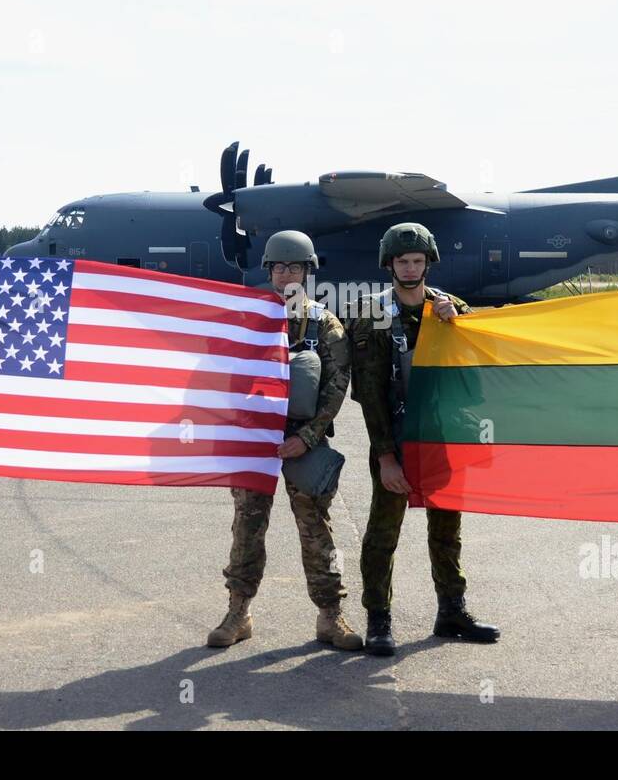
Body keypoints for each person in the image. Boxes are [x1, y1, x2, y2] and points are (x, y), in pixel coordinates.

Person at [348, 222, 500, 656]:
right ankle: (379, 619)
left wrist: (460, 324)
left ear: (428, 263)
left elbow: (482, 363)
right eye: (402, 261)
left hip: (443, 439)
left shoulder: (451, 308)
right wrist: (385, 457)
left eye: (417, 261)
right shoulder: (372, 312)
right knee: (383, 534)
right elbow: (370, 394)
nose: (410, 269)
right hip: (396, 439)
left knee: (447, 529)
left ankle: (451, 610)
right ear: (389, 264)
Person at [207, 231, 363, 651]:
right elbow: (225, 374)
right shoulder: (249, 318)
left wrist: (309, 437)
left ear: (308, 272)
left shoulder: (324, 323)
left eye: (295, 267)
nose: (286, 274)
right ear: (269, 271)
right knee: (247, 526)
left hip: (303, 441)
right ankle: (238, 612)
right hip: (255, 440)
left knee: (316, 529)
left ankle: (331, 615)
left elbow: (337, 385)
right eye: (279, 267)